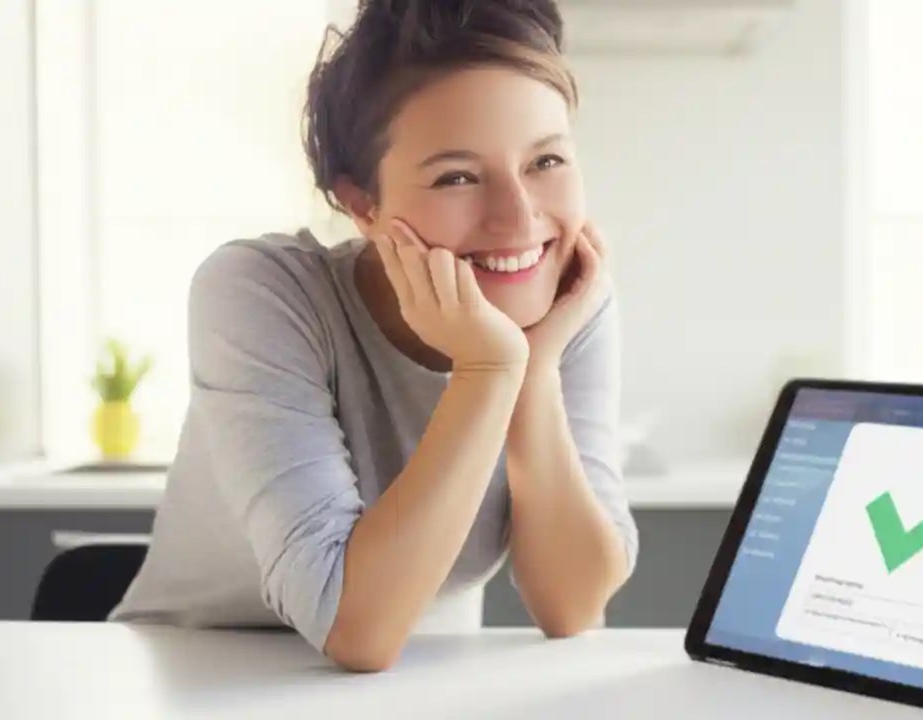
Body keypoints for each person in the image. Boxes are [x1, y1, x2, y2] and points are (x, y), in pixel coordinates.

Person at [109, 0, 640, 672]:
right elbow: (356, 630)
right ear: (362, 203)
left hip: (416, 685)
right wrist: (487, 371)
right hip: (194, 681)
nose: (519, 217)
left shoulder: (567, 300)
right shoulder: (263, 293)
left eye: (547, 161)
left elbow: (573, 605)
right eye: (457, 177)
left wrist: (534, 371)